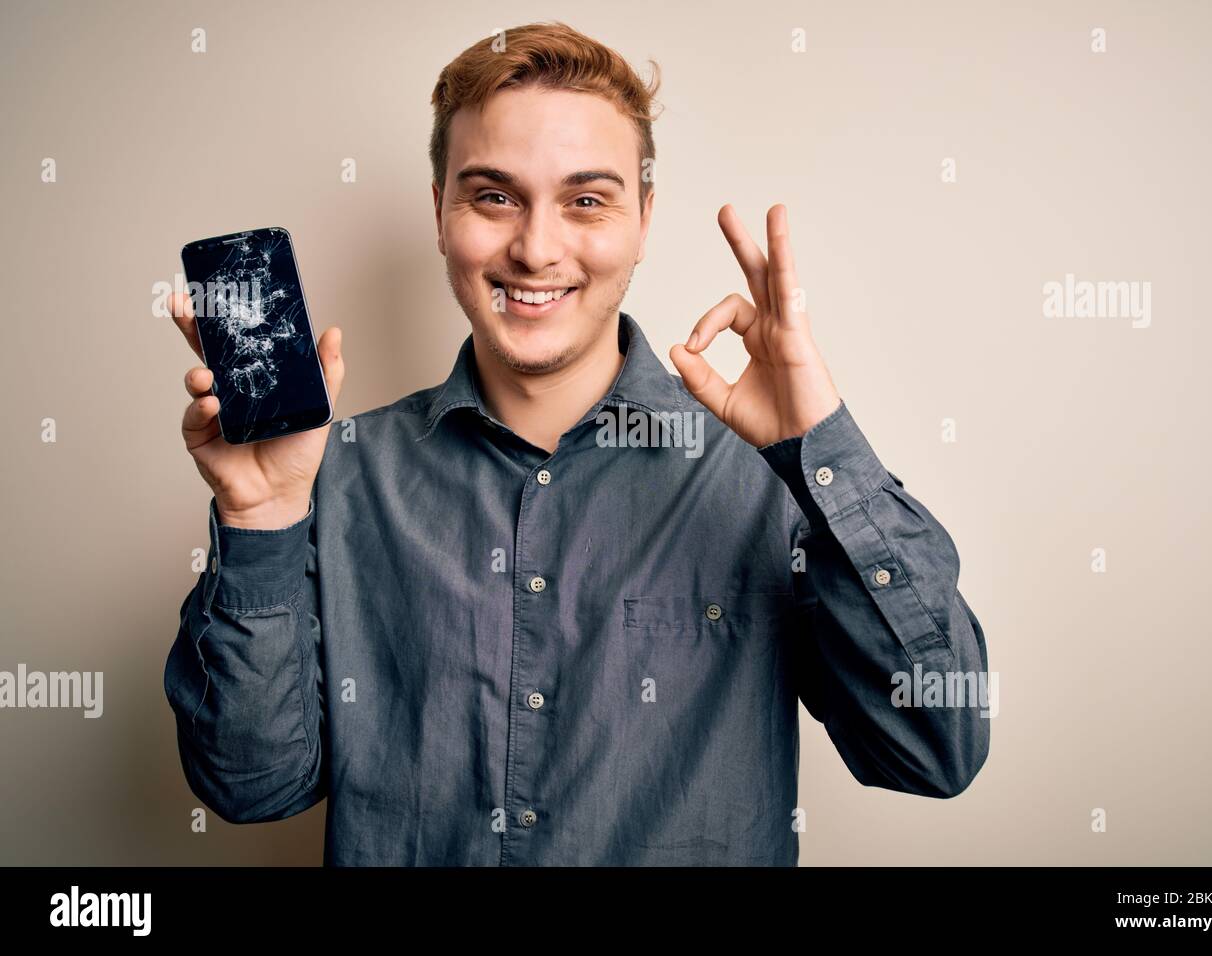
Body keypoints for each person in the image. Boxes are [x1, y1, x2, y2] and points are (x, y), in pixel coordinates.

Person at [163, 20, 989, 866]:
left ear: (643, 221)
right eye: (493, 196)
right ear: (441, 216)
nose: (536, 248)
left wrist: (823, 453)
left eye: (586, 200)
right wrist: (259, 517)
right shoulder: (335, 477)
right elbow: (251, 786)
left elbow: (934, 751)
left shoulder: (771, 481)